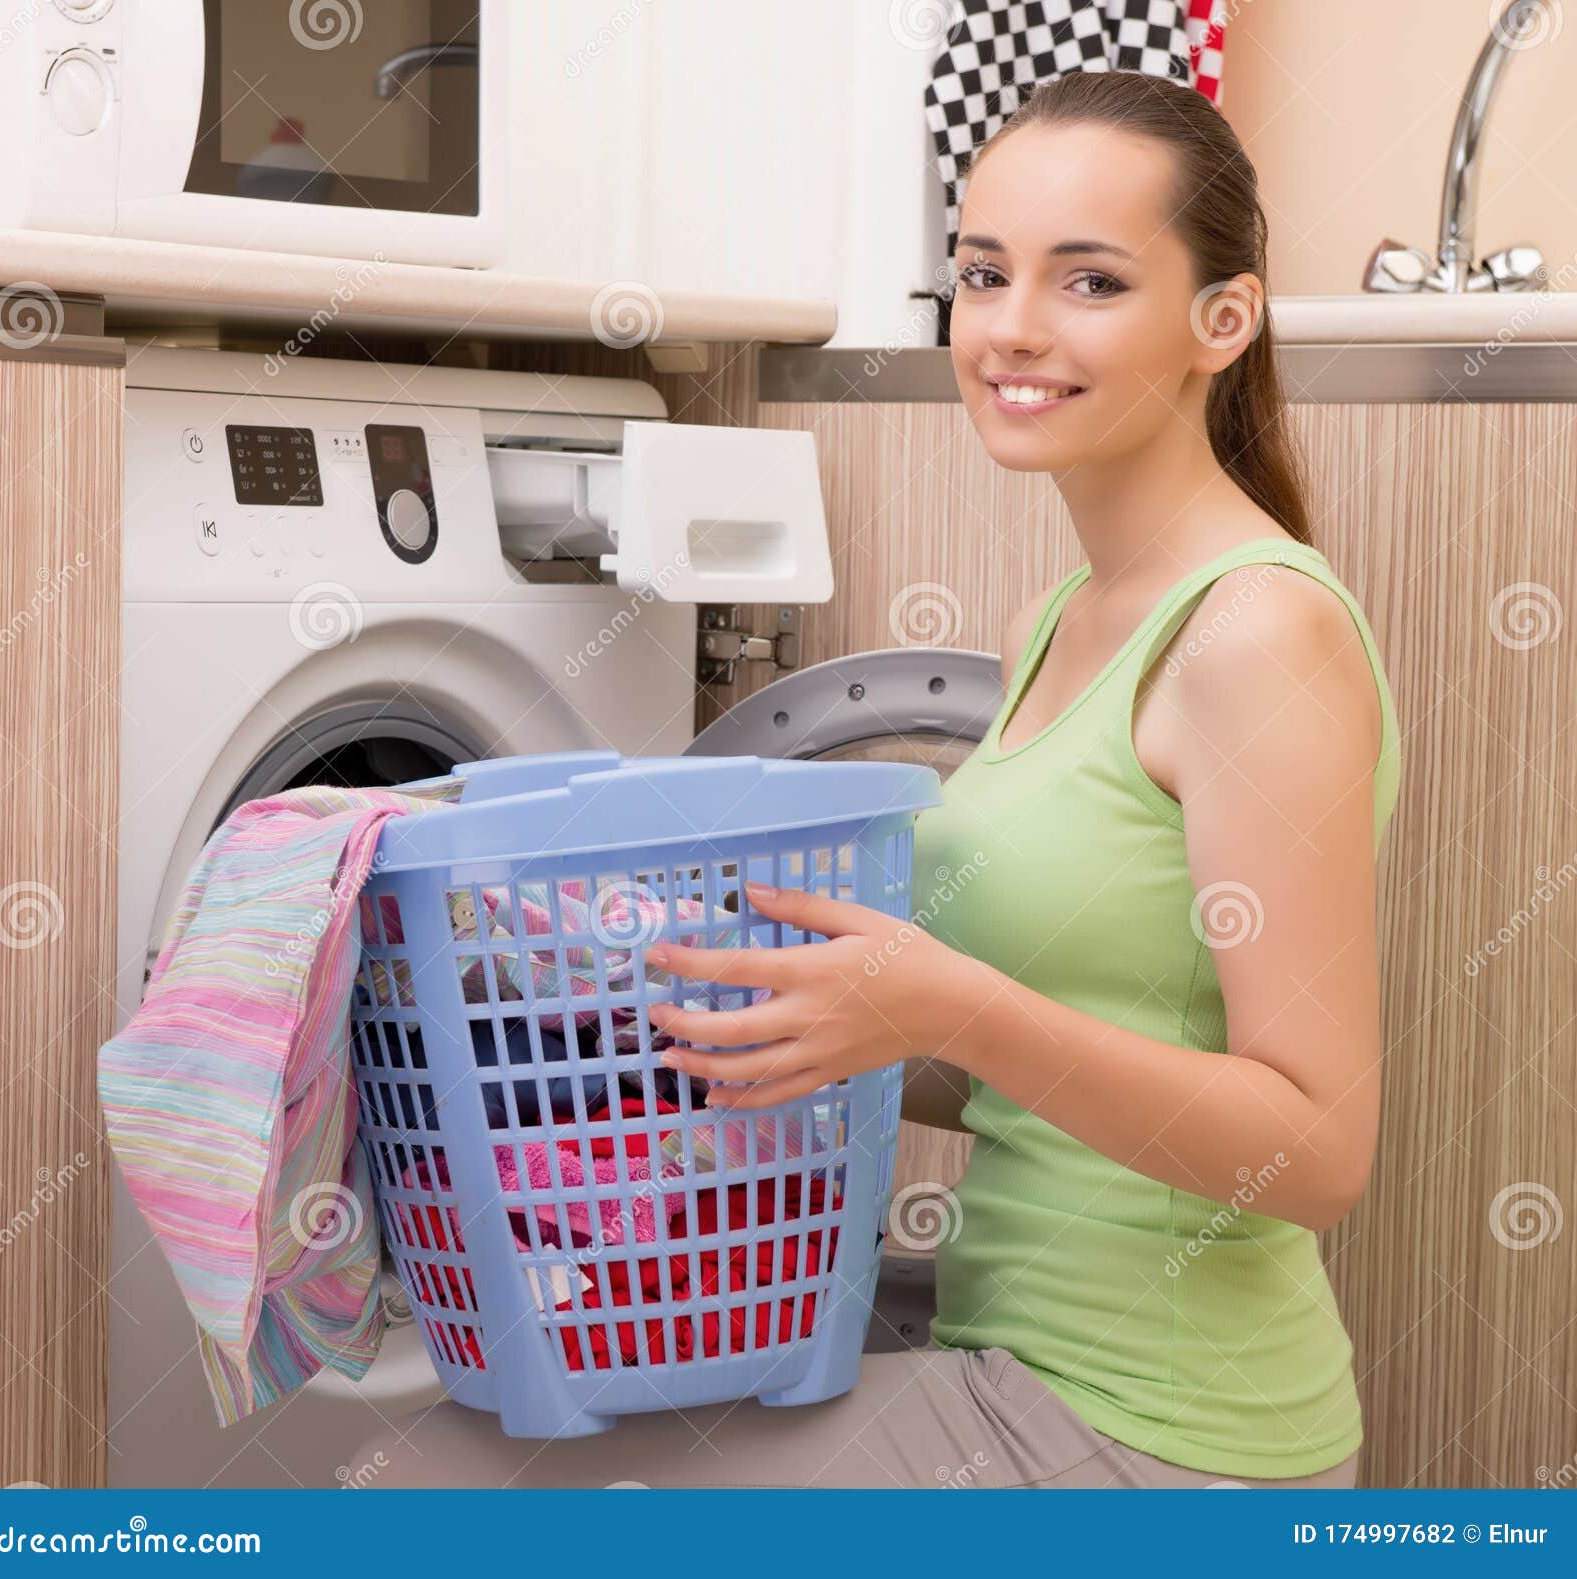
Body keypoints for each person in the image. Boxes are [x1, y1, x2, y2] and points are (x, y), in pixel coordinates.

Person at [348, 67, 1398, 1490]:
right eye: (984, 274)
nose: (1012, 328)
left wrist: (946, 1001)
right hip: (1014, 1363)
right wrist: (755, 1020)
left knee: (424, 1492)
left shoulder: (1257, 633)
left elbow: (1318, 1149)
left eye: (1091, 281)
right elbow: (1056, 1062)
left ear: (1225, 319)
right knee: (437, 1459)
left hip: (1167, 1438)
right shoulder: (1067, 617)